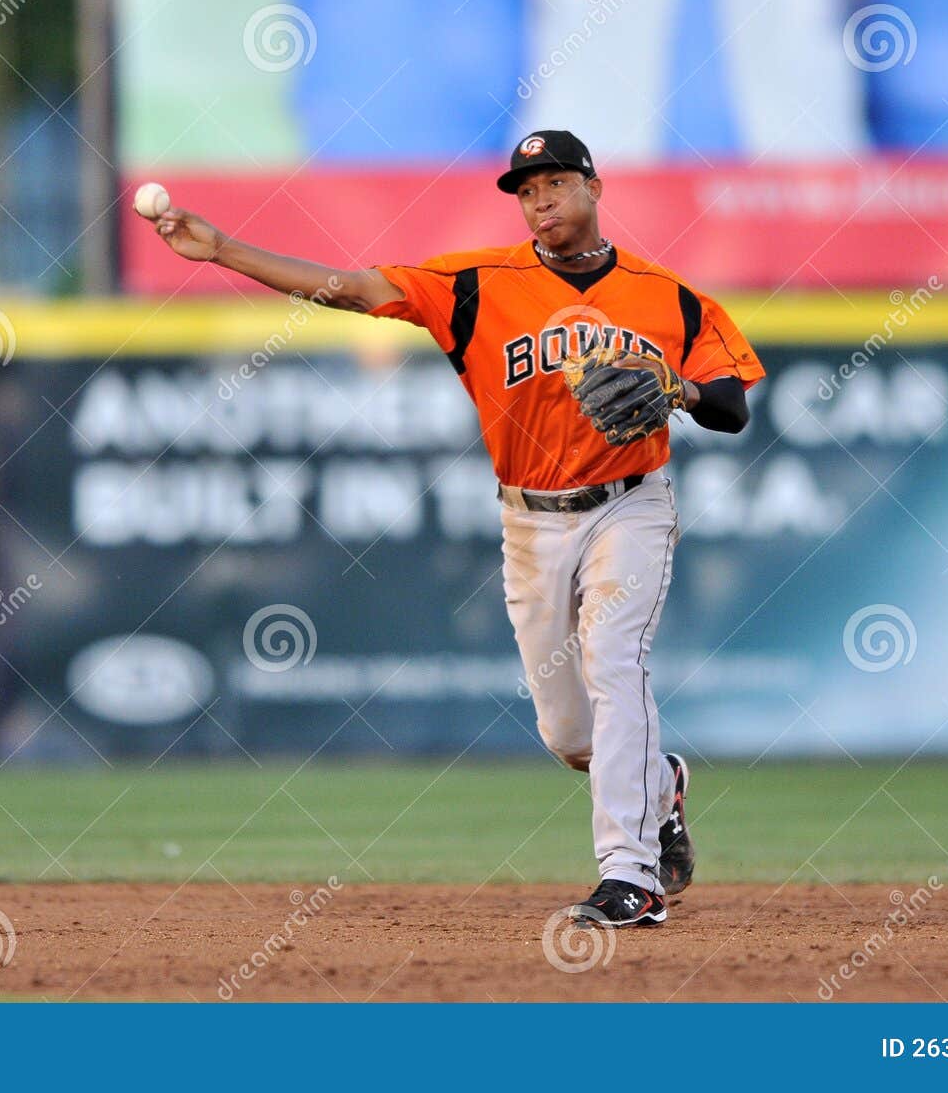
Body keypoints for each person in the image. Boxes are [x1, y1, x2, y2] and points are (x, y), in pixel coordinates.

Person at [145, 130, 764, 927]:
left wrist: (680, 389)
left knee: (614, 664)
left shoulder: (668, 296)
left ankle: (630, 877)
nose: (539, 200)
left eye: (555, 183)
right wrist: (225, 249)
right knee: (569, 733)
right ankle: (659, 784)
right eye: (526, 190)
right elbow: (352, 289)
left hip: (630, 505)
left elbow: (732, 407)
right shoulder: (474, 283)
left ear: (594, 187)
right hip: (531, 519)